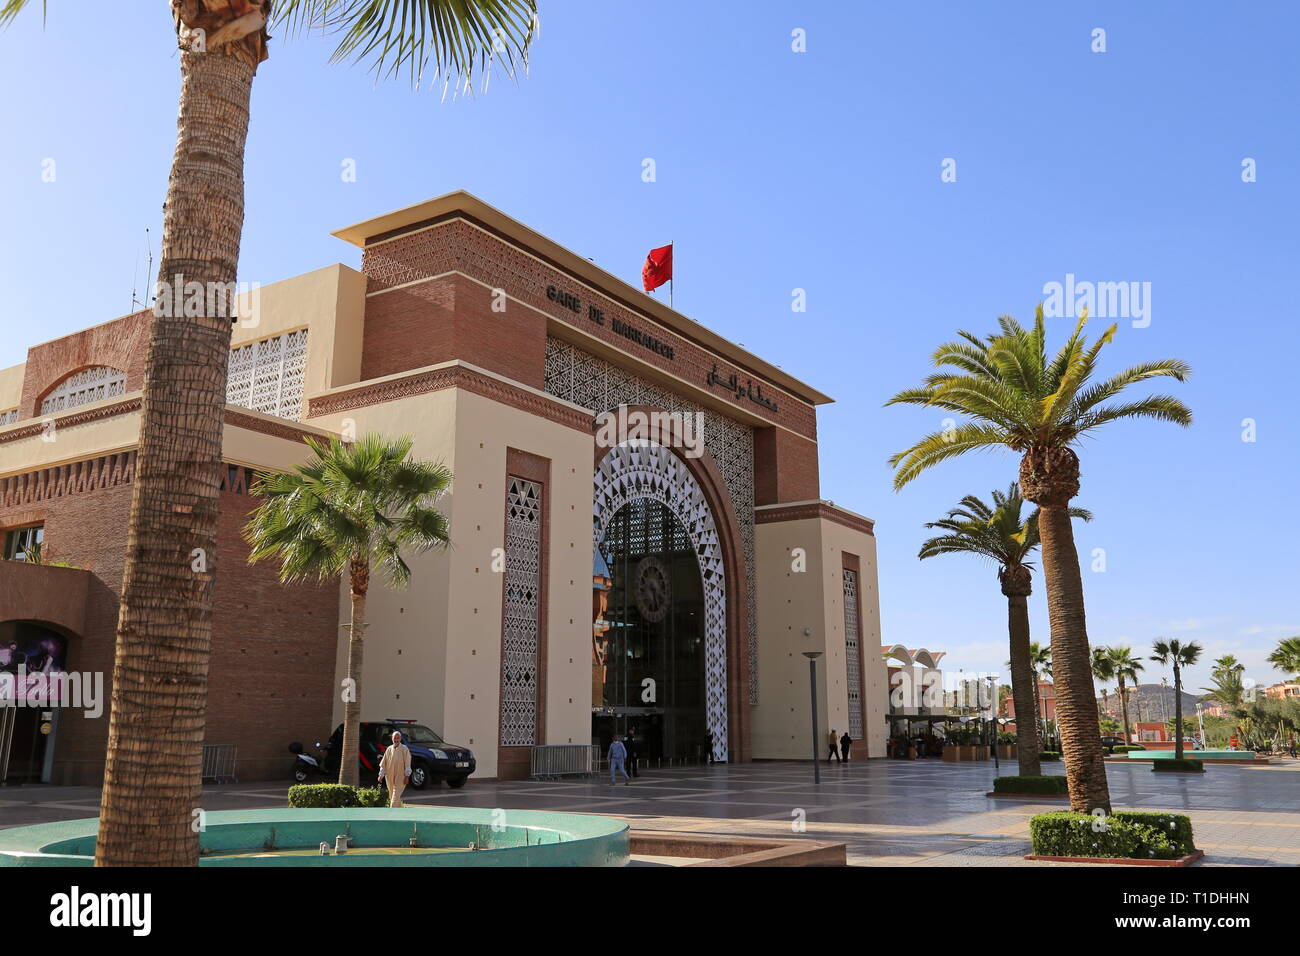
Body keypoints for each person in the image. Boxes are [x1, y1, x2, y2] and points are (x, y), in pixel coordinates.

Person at [378, 730, 412, 808]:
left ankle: (392, 814)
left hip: (401, 777)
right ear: (392, 739)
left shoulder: (404, 749)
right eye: (394, 738)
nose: (396, 740)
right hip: (389, 777)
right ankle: (399, 812)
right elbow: (384, 763)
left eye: (398, 738)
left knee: (395, 797)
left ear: (400, 739)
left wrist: (407, 776)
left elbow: (407, 763)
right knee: (392, 796)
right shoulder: (389, 749)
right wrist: (381, 775)